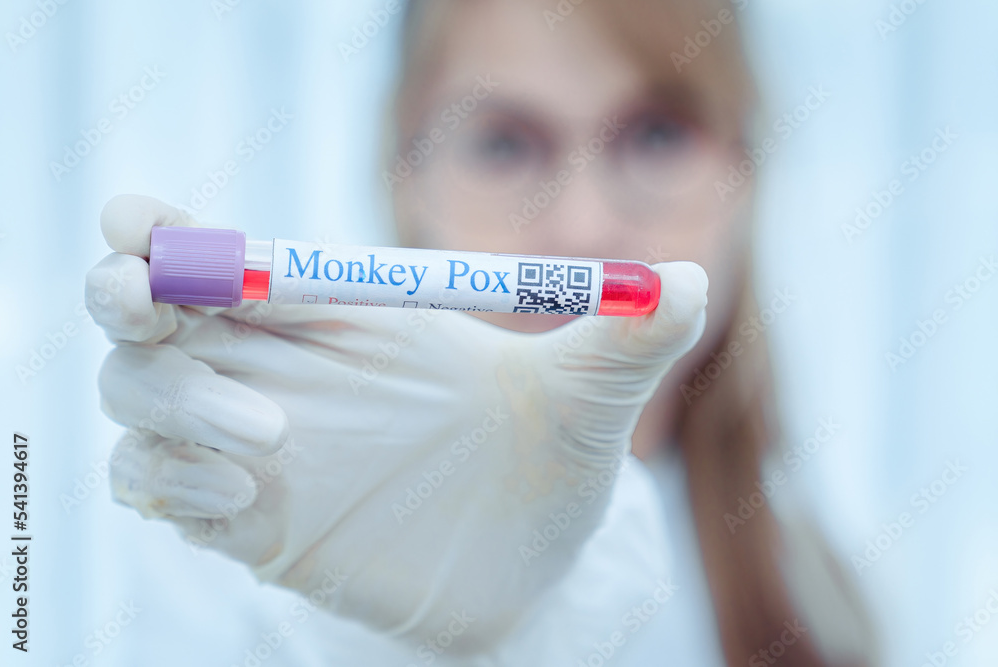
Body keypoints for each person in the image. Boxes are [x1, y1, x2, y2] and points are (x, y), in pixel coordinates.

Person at [85, 0, 875, 664]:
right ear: (407, 177)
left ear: (743, 171)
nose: (582, 226)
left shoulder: (813, 583)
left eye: (656, 136)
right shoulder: (237, 546)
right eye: (504, 142)